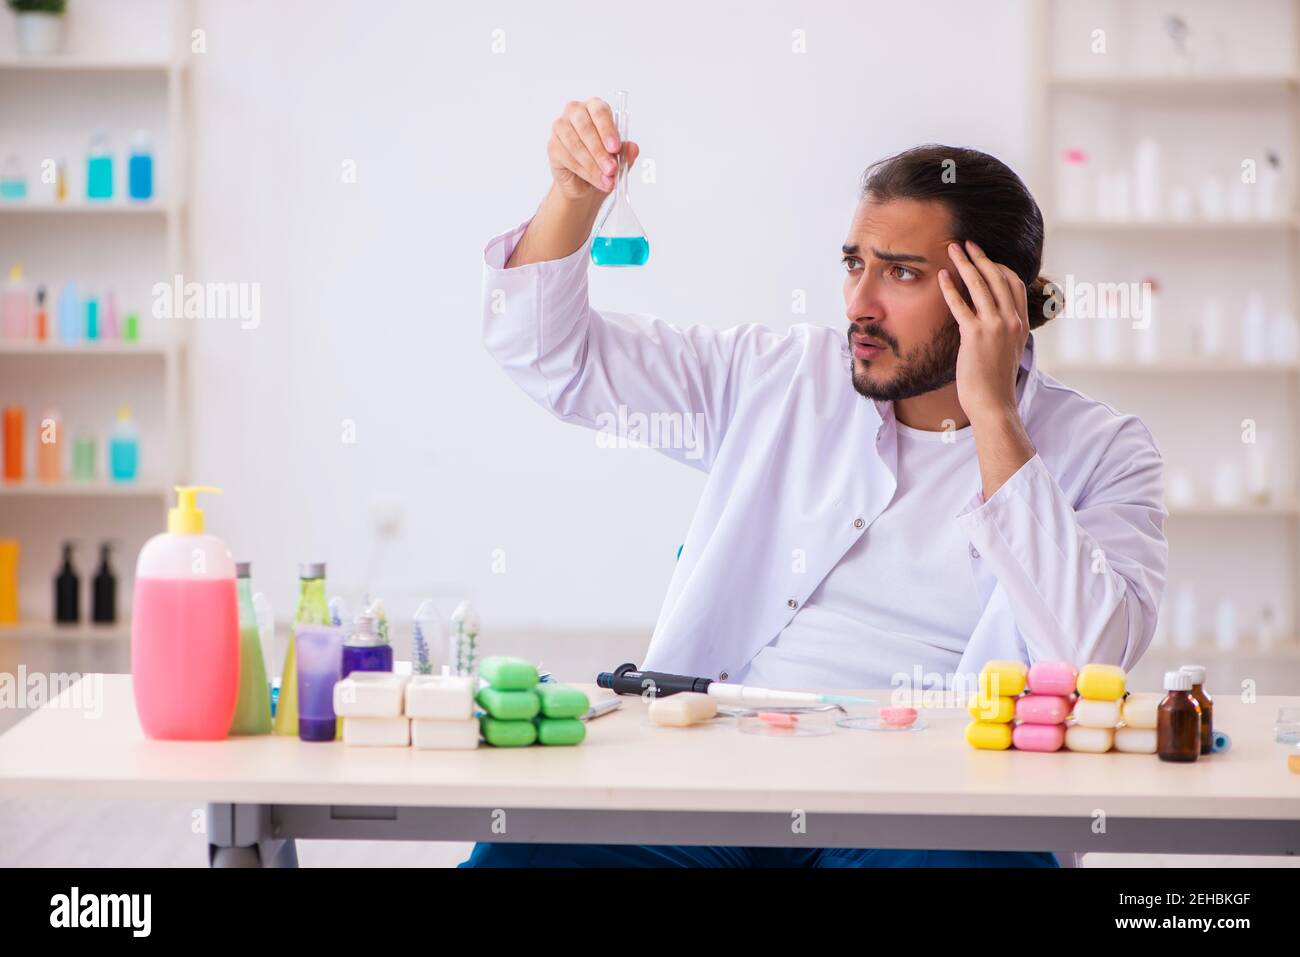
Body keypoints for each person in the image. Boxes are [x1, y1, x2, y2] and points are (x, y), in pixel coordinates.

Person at [463, 97, 1168, 868]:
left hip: (934, 809)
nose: (859, 304)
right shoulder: (780, 379)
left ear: (994, 296)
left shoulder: (1103, 450)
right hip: (721, 781)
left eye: (900, 272)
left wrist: (993, 412)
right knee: (531, 846)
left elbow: (1094, 652)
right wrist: (573, 197)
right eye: (853, 263)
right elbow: (553, 360)